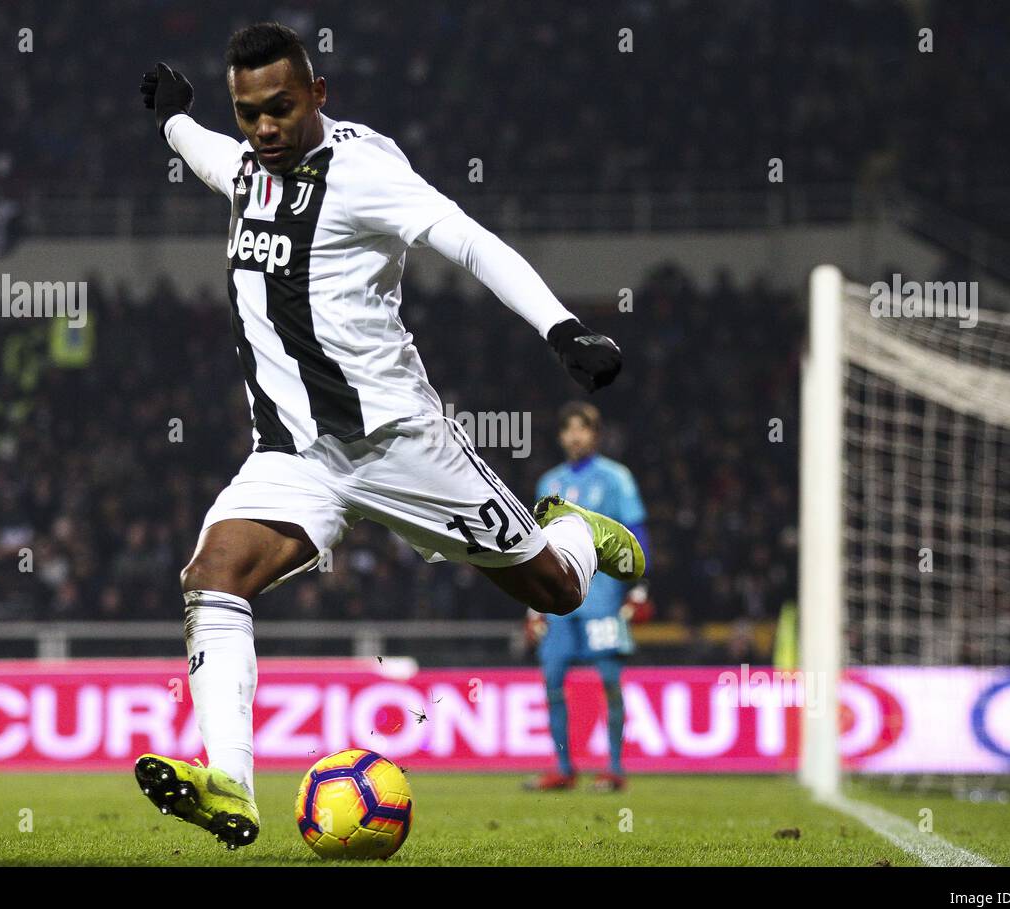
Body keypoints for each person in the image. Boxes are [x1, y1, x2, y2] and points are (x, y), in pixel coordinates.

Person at [132, 22, 648, 849]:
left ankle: (573, 533)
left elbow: (470, 243)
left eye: (279, 108)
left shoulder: (366, 173)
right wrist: (173, 121)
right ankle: (230, 782)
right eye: (247, 113)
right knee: (213, 577)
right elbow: (210, 156)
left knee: (557, 593)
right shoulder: (245, 167)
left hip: (400, 445)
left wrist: (562, 330)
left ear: (317, 96)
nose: (263, 128)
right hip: (295, 452)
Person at [525, 402, 651, 793]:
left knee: (611, 681)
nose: (574, 436)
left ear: (595, 434)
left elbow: (635, 531)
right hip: (559, 598)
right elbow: (534, 545)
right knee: (551, 680)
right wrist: (532, 602)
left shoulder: (616, 479)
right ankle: (563, 768)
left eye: (582, 429)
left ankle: (614, 769)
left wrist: (640, 586)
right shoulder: (548, 483)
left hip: (603, 598)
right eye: (568, 430)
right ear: (561, 436)